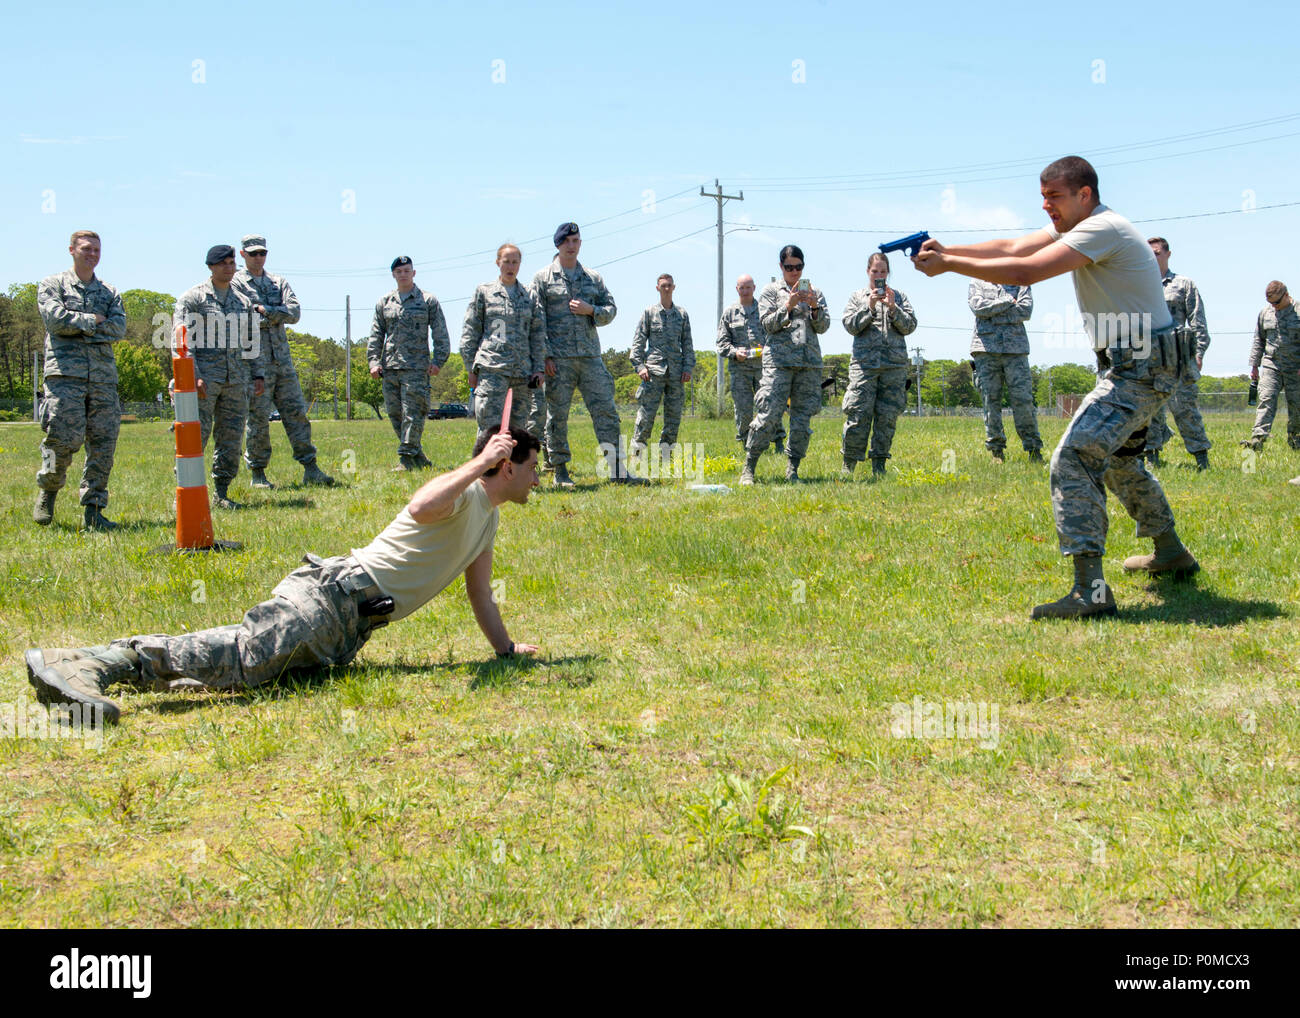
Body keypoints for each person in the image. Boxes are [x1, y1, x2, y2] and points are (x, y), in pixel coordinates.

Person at [25, 429, 542, 725]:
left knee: (246, 674)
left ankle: (106, 665)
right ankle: (96, 661)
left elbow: (480, 594)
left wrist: (505, 649)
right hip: (333, 597)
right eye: (532, 466)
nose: (538, 477)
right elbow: (421, 503)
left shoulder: (487, 519)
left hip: (350, 625)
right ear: (508, 466)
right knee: (243, 655)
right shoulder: (466, 494)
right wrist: (480, 463)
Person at [913, 155, 1200, 619]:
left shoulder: (1100, 228)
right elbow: (1014, 248)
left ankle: (1091, 592)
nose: (1047, 206)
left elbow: (1025, 272)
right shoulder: (1083, 224)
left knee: (1073, 458)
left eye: (1055, 197)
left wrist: (948, 265)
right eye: (1043, 197)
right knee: (1120, 463)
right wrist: (950, 250)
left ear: (1084, 194)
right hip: (1139, 364)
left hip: (1141, 367)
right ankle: (1170, 552)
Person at [532, 222, 643, 487]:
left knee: (606, 412)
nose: (572, 246)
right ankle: (560, 470)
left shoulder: (593, 278)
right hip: (558, 360)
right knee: (557, 417)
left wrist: (591, 310)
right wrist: (545, 355)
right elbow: (536, 320)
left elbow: (611, 310)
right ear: (558, 244)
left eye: (577, 241)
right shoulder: (543, 278)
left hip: (590, 357)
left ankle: (617, 470)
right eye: (567, 242)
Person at [33, 230, 127, 531]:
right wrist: (93, 320)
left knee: (103, 445)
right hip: (64, 376)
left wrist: (77, 323)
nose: (92, 254)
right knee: (59, 439)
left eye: (97, 249)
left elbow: (118, 328)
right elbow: (55, 320)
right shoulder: (52, 285)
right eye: (86, 249)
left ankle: (94, 509)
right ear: (71, 249)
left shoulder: (109, 292)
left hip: (102, 379)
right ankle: (48, 490)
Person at [233, 234, 335, 488]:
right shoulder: (235, 284)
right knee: (257, 420)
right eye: (253, 253)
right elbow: (242, 317)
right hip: (254, 364)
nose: (258, 258)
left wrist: (265, 311)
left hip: (283, 363)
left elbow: (295, 313)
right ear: (243, 254)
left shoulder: (278, 281)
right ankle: (258, 473)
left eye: (262, 253)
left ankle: (310, 468)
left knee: (297, 414)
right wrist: (274, 314)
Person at [174, 245, 258, 510]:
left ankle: (221, 492)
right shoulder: (193, 299)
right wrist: (194, 375)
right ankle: (185, 494)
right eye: (222, 263)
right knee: (194, 438)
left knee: (230, 440)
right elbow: (182, 340)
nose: (229, 267)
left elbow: (251, 341)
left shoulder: (242, 301)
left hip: (236, 381)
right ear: (210, 267)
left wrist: (257, 375)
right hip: (204, 382)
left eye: (232, 262)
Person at [739, 245, 830, 484]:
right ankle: (749, 467)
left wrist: (813, 306)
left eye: (798, 267)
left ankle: (793, 470)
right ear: (781, 267)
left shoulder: (815, 292)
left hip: (807, 364)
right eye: (789, 267)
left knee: (801, 421)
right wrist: (788, 306)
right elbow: (767, 324)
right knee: (768, 415)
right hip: (778, 363)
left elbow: (823, 326)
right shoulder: (770, 292)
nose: (794, 272)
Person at [368, 256, 451, 471]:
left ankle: (406, 459)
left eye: (407, 271)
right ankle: (418, 456)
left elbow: (440, 333)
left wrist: (438, 361)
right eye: (399, 271)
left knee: (413, 414)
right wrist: (374, 362)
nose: (403, 275)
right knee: (395, 414)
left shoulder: (427, 300)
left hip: (416, 367)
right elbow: (376, 334)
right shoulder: (384, 302)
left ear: (413, 273)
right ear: (394, 275)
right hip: (390, 367)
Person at [461, 243, 546, 445]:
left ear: (520, 264)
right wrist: (470, 368)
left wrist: (539, 369)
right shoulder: (484, 292)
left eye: (515, 262)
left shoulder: (529, 296)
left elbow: (537, 334)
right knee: (489, 428)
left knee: (518, 429)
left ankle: (513, 473)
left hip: (521, 372)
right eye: (506, 261)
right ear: (498, 262)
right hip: (492, 370)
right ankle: (486, 471)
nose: (511, 266)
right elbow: (470, 331)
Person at [841, 252, 918, 477]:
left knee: (887, 417)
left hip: (893, 366)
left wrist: (894, 309)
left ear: (888, 273)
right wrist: (869, 307)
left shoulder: (899, 296)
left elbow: (910, 325)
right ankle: (849, 464)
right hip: (864, 366)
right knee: (857, 415)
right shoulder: (858, 297)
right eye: (875, 271)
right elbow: (850, 325)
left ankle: (879, 464)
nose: (879, 275)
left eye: (883, 271)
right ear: (868, 272)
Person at [1141, 237, 1211, 470]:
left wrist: (1199, 352)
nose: (1153, 256)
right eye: (1149, 253)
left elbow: (1198, 322)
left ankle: (1201, 457)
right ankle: (1152, 456)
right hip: (1150, 358)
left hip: (1179, 357)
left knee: (1185, 409)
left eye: (1157, 252)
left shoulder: (1184, 284)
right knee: (1150, 410)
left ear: (1168, 254)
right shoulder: (1140, 285)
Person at [967, 279, 1042, 463]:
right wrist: (1008, 302)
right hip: (985, 349)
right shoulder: (977, 281)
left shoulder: (1019, 281)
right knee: (990, 402)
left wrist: (991, 313)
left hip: (1015, 349)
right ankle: (996, 451)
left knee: (1023, 401)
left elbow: (1025, 310)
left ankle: (1033, 450)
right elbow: (978, 308)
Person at [717, 274, 784, 455]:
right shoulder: (730, 312)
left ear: (754, 288)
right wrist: (734, 353)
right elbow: (722, 343)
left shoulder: (763, 309)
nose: (745, 291)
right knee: (743, 408)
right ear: (737, 289)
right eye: (742, 288)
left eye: (748, 287)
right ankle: (746, 444)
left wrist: (769, 348)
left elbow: (776, 332)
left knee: (770, 404)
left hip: (765, 367)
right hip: (740, 369)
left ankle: (778, 441)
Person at [630, 273, 695, 460]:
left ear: (674, 288)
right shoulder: (649, 313)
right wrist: (640, 366)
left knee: (673, 418)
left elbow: (688, 344)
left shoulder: (682, 315)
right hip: (653, 373)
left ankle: (665, 456)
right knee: (645, 417)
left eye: (669, 285)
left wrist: (688, 367)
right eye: (663, 285)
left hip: (676, 373)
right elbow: (638, 343)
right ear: (657, 288)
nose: (666, 288)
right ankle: (636, 455)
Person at [1241, 281, 1300, 453]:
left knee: (1296, 405)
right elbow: (1258, 339)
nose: (1273, 306)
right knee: (1266, 399)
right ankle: (1257, 439)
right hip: (1271, 364)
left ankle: (1295, 438)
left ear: (1286, 295)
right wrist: (1254, 366)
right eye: (1270, 303)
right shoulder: (1265, 313)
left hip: (1295, 367)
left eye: (1276, 302)